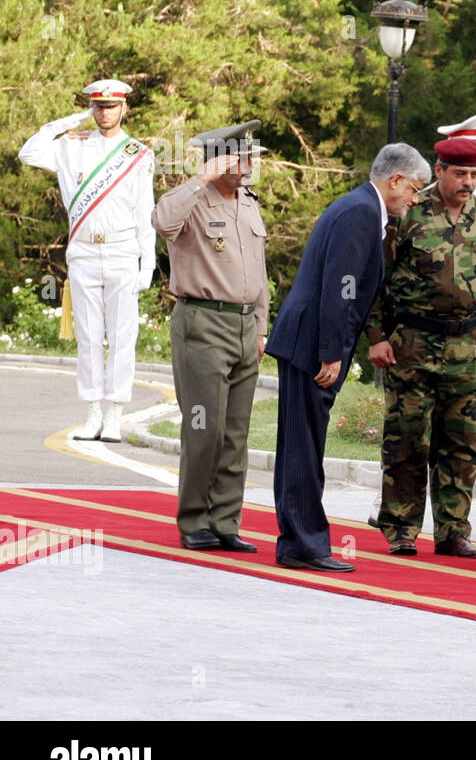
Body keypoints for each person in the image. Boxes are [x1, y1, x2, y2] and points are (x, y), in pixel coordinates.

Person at [265, 144, 431, 572]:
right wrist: (331, 353)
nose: (415, 200)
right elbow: (341, 289)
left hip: (304, 340)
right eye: (414, 189)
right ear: (395, 179)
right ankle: (305, 545)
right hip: (312, 345)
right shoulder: (360, 212)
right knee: (303, 449)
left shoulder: (358, 206)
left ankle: (297, 541)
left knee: (299, 447)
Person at [364, 113, 476, 528]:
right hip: (413, 344)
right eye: (460, 173)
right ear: (441, 171)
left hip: (468, 347)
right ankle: (401, 528)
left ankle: (453, 530)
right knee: (407, 439)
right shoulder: (407, 216)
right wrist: (376, 336)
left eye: (474, 173)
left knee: (461, 444)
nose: (468, 182)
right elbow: (375, 280)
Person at [152, 121, 269, 551]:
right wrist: (199, 177)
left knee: (236, 433)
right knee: (205, 428)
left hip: (242, 326)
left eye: (252, 157)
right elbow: (161, 222)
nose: (250, 165)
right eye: (242, 157)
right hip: (203, 323)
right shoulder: (192, 200)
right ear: (218, 160)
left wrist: (260, 326)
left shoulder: (249, 204)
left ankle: (225, 521)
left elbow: (259, 273)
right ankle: (193, 519)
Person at [19, 79, 156, 442]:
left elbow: (146, 213)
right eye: (97, 106)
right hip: (82, 251)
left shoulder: (138, 154)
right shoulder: (70, 147)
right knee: (89, 337)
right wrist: (70, 122)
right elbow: (28, 153)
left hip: (123, 251)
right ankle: (93, 412)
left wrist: (148, 264)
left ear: (125, 108)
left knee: (123, 336)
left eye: (111, 106)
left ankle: (115, 415)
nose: (104, 112)